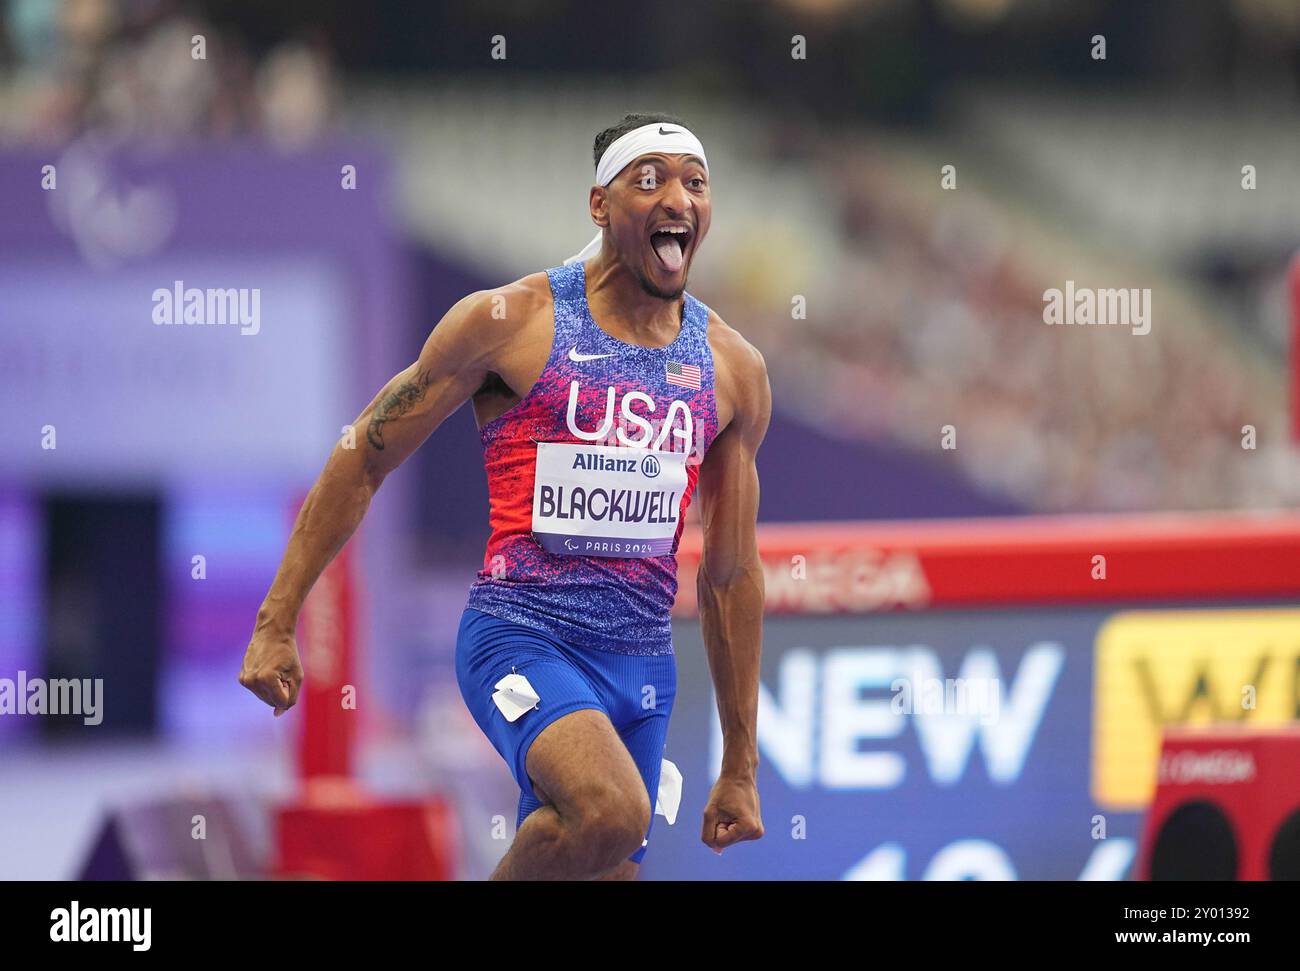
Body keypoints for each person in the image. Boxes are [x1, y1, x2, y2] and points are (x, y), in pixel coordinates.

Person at [240, 112, 771, 880]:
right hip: (521, 635)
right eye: (649, 179)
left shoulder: (733, 370)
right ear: (599, 205)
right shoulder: (513, 323)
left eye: (695, 181)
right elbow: (364, 454)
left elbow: (729, 575)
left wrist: (742, 764)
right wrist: (276, 618)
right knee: (612, 811)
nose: (678, 199)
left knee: (602, 861)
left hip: (643, 670)